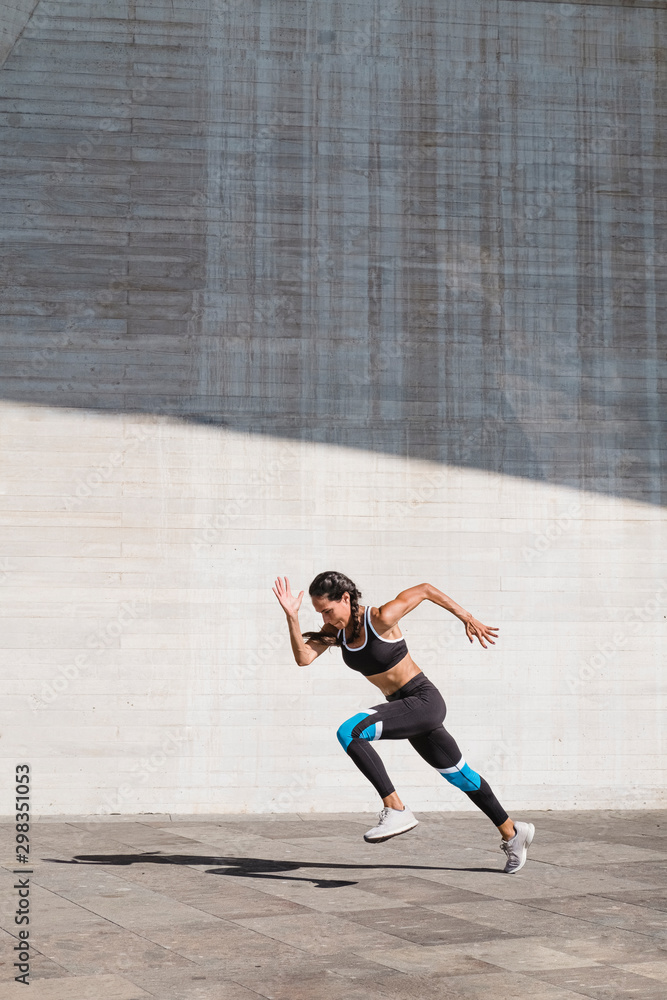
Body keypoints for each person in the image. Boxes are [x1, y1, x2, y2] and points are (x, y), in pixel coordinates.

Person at [273, 570, 535, 874]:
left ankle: (396, 807)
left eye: (328, 610)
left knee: (350, 732)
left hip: (423, 700)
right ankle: (513, 833)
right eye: (320, 613)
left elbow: (425, 589)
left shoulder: (381, 618)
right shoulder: (338, 631)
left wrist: (467, 617)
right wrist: (292, 616)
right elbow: (304, 657)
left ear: (345, 598)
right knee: (460, 776)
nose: (326, 619)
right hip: (406, 709)